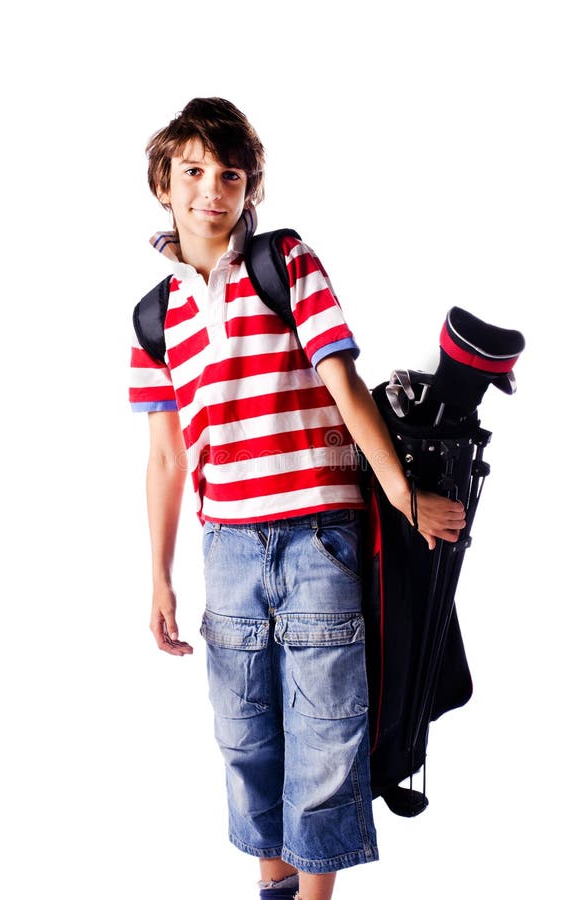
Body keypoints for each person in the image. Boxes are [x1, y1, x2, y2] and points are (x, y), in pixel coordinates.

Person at [129, 97, 465, 900]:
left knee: (323, 736)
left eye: (231, 174)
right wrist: (160, 577)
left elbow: (341, 381)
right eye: (194, 172)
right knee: (246, 739)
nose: (213, 188)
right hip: (228, 546)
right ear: (163, 185)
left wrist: (401, 493)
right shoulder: (155, 317)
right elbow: (166, 457)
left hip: (318, 532)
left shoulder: (286, 262)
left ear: (251, 187)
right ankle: (272, 889)